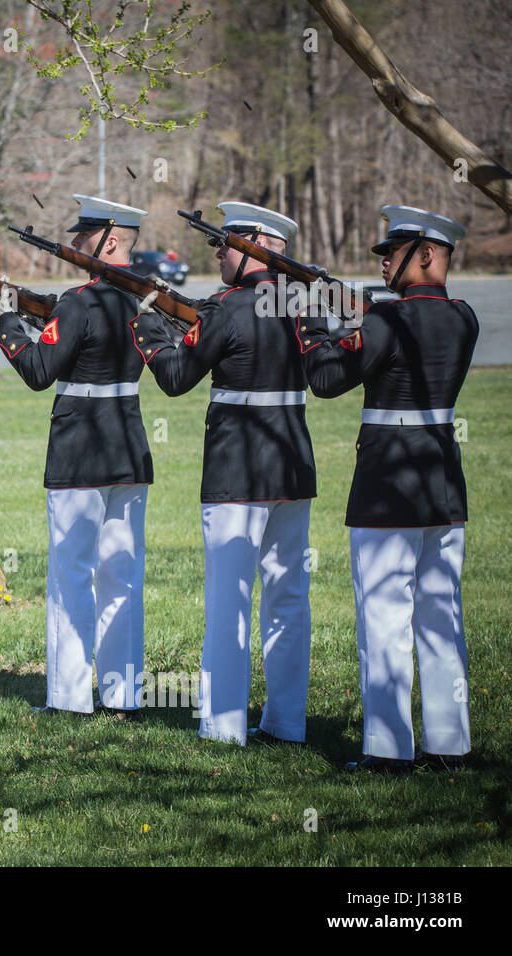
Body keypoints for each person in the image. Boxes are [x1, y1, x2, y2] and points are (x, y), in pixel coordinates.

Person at [298, 205, 477, 772]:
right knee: (441, 619)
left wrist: (309, 326)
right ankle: (449, 746)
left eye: (393, 252)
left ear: (426, 255)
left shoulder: (386, 321)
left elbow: (326, 381)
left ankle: (387, 749)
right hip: (443, 483)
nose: (382, 261)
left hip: (387, 487)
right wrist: (360, 318)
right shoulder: (464, 316)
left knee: (384, 618)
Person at [132, 202, 314, 746]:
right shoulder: (306, 303)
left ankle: (224, 724)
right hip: (293, 469)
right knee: (288, 599)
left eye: (225, 242)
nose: (217, 251)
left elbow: (175, 377)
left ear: (257, 245)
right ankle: (286, 723)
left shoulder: (227, 308)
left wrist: (147, 325)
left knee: (229, 601)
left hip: (237, 471)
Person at [0, 195, 152, 717]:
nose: (74, 243)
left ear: (107, 240)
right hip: (127, 449)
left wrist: (9, 323)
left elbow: (39, 371)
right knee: (121, 576)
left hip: (81, 450)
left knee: (71, 574)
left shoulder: (81, 301)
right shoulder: (145, 301)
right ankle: (123, 695)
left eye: (82, 235)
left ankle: (69, 696)